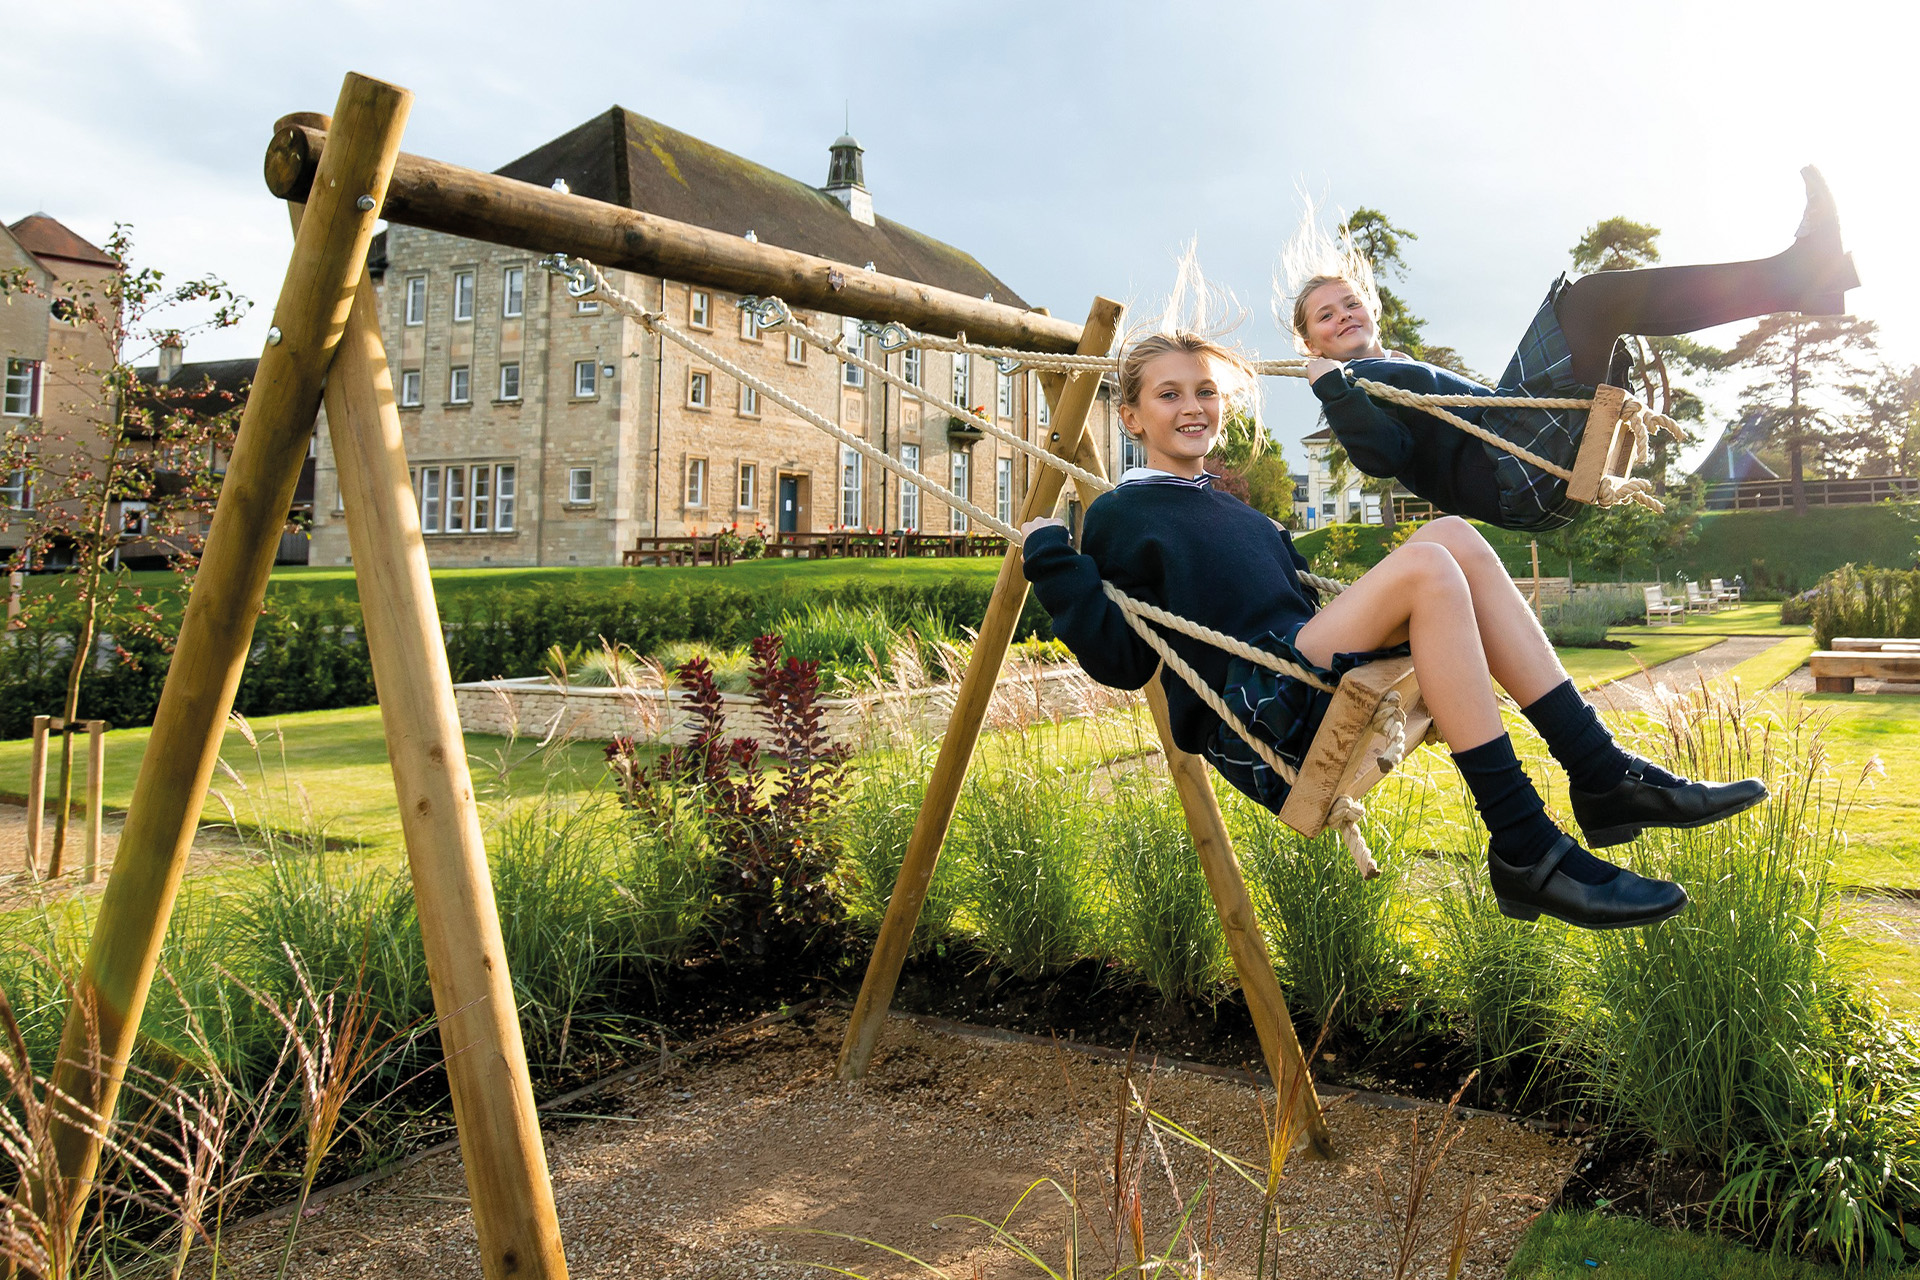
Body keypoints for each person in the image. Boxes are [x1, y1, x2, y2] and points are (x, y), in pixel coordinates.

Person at [1020, 330, 1767, 930]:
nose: (1194, 406)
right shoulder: (1121, 513)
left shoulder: (1237, 509)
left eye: (1206, 391)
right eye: (1169, 394)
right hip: (1259, 713)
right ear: (1130, 416)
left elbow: (1287, 606)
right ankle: (1525, 844)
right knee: (1431, 565)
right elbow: (1120, 660)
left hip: (1306, 672)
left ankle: (1602, 774)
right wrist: (1056, 561)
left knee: (1454, 540)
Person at [1290, 168, 1859, 531]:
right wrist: (1332, 389)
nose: (1343, 316)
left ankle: (1802, 281)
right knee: (1589, 303)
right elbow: (1382, 457)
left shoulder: (1392, 370)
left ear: (1373, 308)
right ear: (1310, 342)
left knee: (1605, 307)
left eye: (1350, 303)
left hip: (1524, 468)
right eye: (1325, 315)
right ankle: (1800, 274)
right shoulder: (1355, 387)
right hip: (1511, 475)